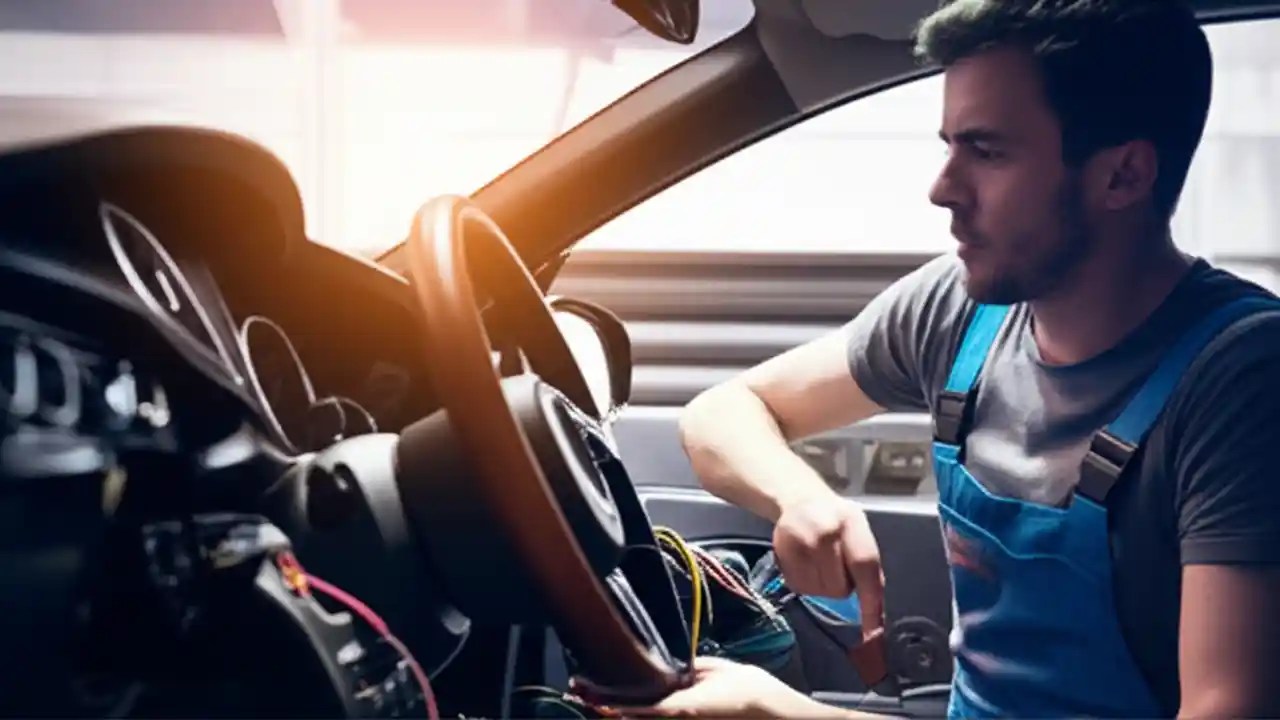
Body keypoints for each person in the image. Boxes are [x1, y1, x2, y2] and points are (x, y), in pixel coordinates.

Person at [624, 0, 1280, 717]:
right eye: (949, 147)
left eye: (988, 151)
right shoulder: (963, 310)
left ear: (1122, 176)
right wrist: (802, 498)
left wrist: (785, 714)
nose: (942, 189)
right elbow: (724, 413)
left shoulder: (1242, 381)